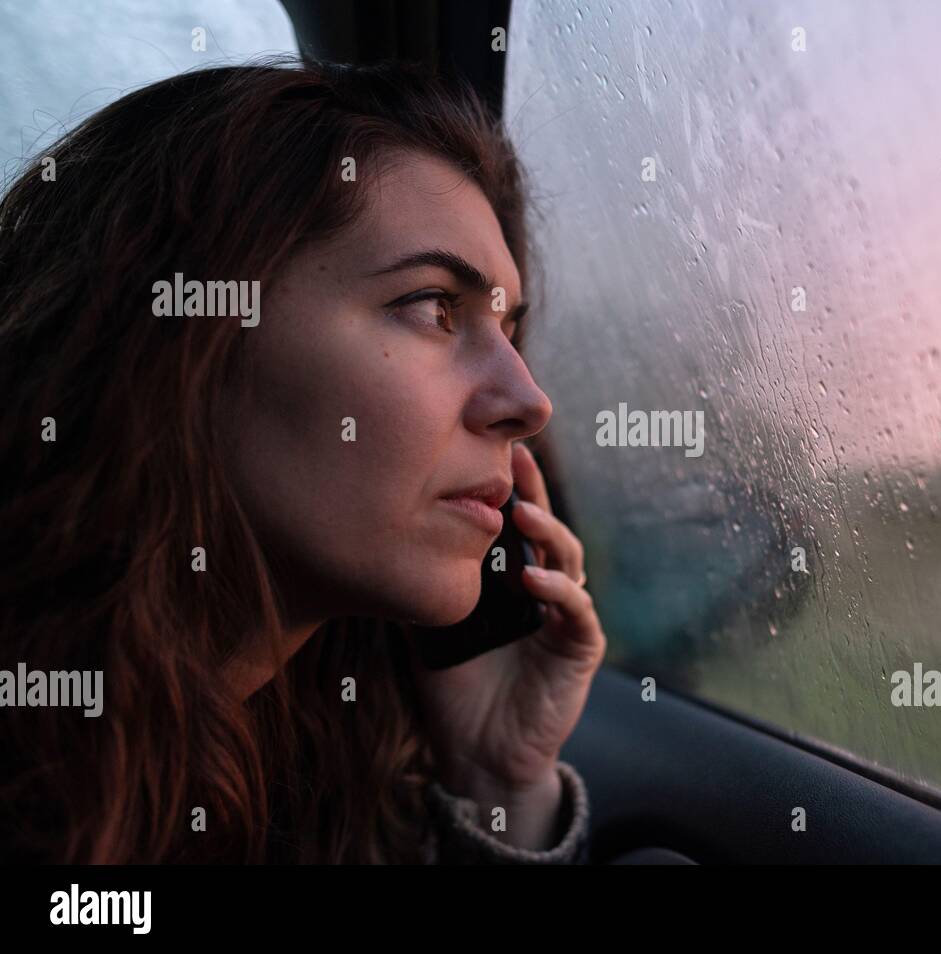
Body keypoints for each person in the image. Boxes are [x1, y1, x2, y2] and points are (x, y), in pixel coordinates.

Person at [0, 57, 607, 864]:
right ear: (184, 336)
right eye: (433, 307)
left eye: (508, 330)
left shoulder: (319, 768)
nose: (530, 402)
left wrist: (498, 781)